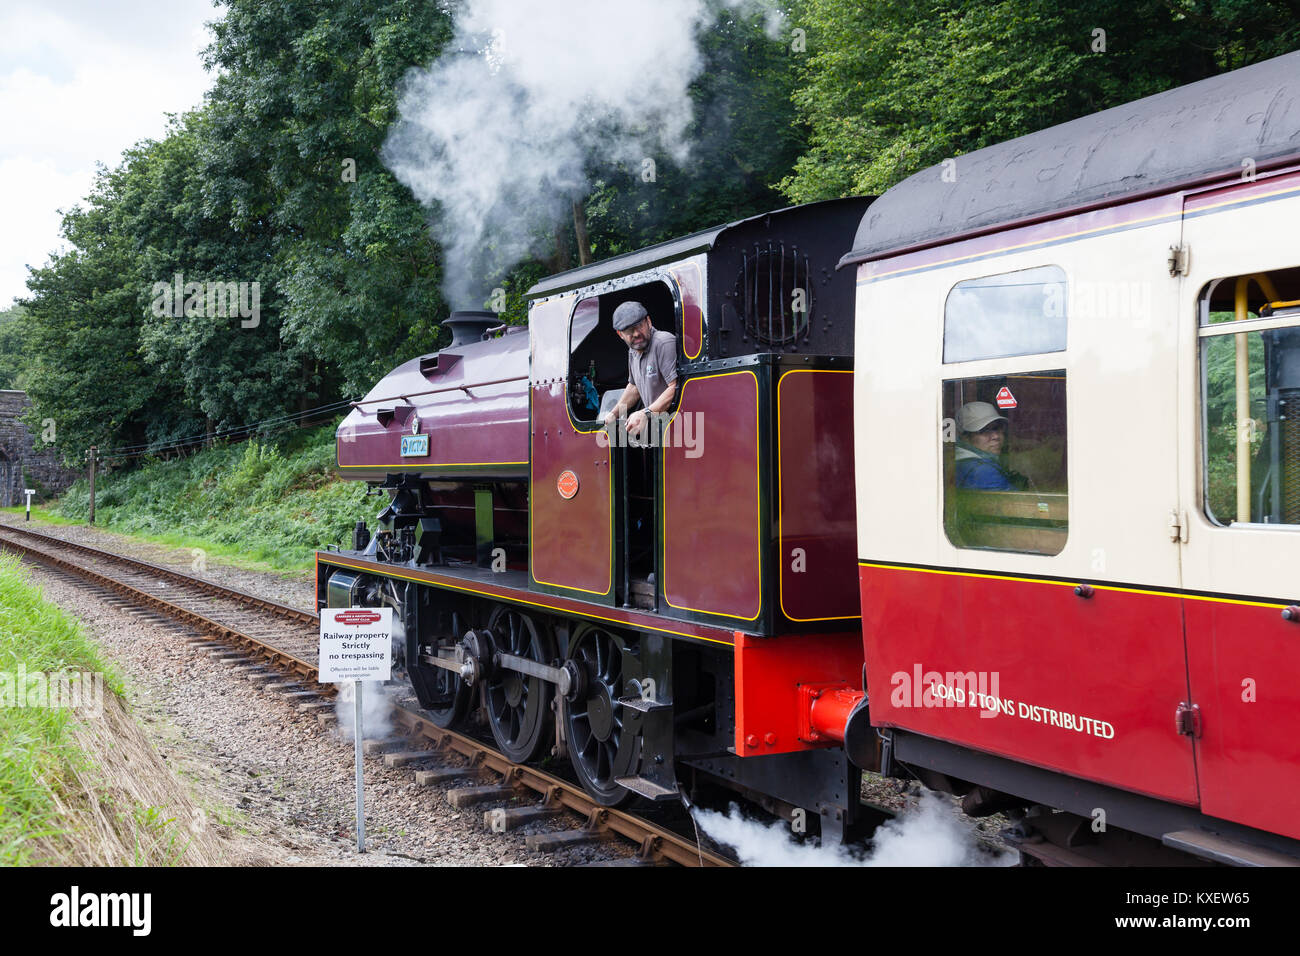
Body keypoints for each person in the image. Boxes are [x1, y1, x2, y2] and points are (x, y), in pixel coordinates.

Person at [602, 301, 678, 438]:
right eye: (629, 331)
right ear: (620, 334)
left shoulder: (663, 342)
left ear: (648, 322)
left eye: (639, 326)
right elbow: (634, 387)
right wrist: (614, 413)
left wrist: (645, 413)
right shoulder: (633, 351)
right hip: (656, 428)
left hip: (676, 426)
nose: (636, 334)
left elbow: (675, 386)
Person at [954, 401, 1027, 490]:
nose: (996, 436)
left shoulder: (960, 460)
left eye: (998, 428)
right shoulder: (982, 471)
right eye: (984, 430)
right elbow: (1018, 503)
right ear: (965, 437)